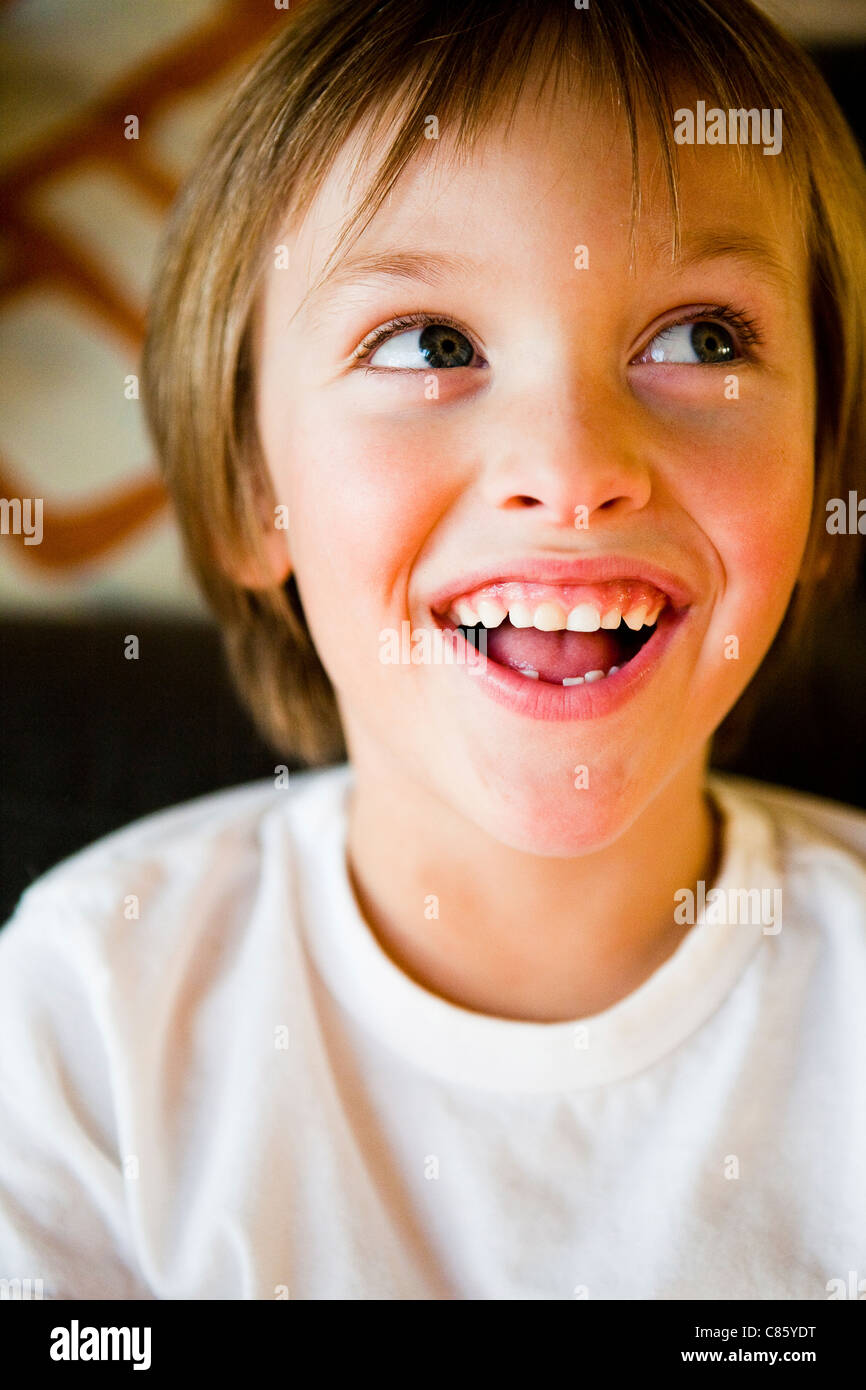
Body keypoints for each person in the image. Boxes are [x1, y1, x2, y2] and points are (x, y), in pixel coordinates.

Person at [1, 0, 865, 1300]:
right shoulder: (88, 1009)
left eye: (700, 339)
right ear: (250, 494)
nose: (572, 470)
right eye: (429, 345)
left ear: (819, 484)